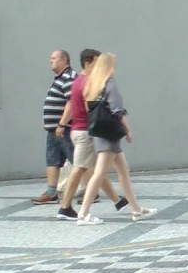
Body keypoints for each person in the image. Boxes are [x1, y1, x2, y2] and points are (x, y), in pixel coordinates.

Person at [75, 52, 156, 225]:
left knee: (123, 172)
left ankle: (136, 209)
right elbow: (117, 110)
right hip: (110, 134)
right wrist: (128, 129)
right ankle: (83, 214)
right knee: (99, 173)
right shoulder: (109, 83)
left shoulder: (92, 84)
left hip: (100, 132)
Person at [53, 49, 127, 221]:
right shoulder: (87, 82)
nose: (99, 66)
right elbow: (90, 109)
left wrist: (63, 124)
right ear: (87, 63)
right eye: (96, 62)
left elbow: (71, 105)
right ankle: (65, 207)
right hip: (84, 132)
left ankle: (118, 201)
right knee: (79, 169)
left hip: (79, 130)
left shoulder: (78, 80)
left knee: (95, 170)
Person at [33, 50, 76, 204]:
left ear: (64, 60)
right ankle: (51, 193)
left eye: (53, 58)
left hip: (65, 129)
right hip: (54, 129)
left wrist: (62, 124)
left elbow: (71, 103)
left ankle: (93, 192)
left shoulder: (69, 78)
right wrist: (48, 120)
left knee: (78, 161)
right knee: (52, 161)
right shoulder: (59, 78)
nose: (50, 61)